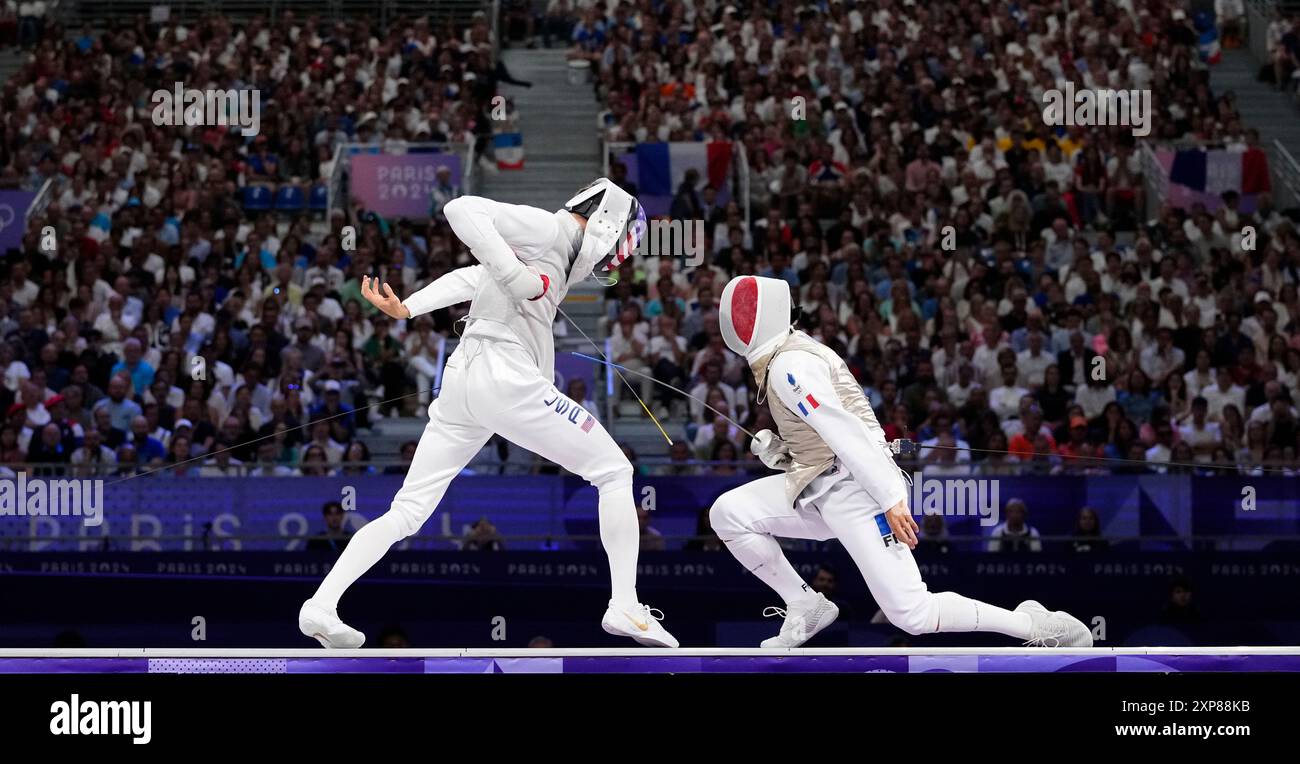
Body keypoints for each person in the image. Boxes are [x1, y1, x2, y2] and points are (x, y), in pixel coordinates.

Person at [298, 179, 677, 648]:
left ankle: (321, 605)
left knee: (409, 510)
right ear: (606, 221)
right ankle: (625, 604)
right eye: (619, 243)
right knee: (615, 470)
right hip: (504, 375)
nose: (611, 257)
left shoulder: (556, 254)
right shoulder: (548, 229)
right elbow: (461, 208)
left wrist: (410, 308)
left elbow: (474, 278)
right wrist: (516, 277)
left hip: (466, 380)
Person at [708, 275, 1091, 648]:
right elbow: (825, 435)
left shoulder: (790, 367)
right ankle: (805, 603)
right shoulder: (785, 359)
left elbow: (846, 432)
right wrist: (786, 454)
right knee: (729, 513)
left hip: (858, 489)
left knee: (913, 615)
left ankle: (1034, 625)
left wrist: (890, 497)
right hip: (817, 489)